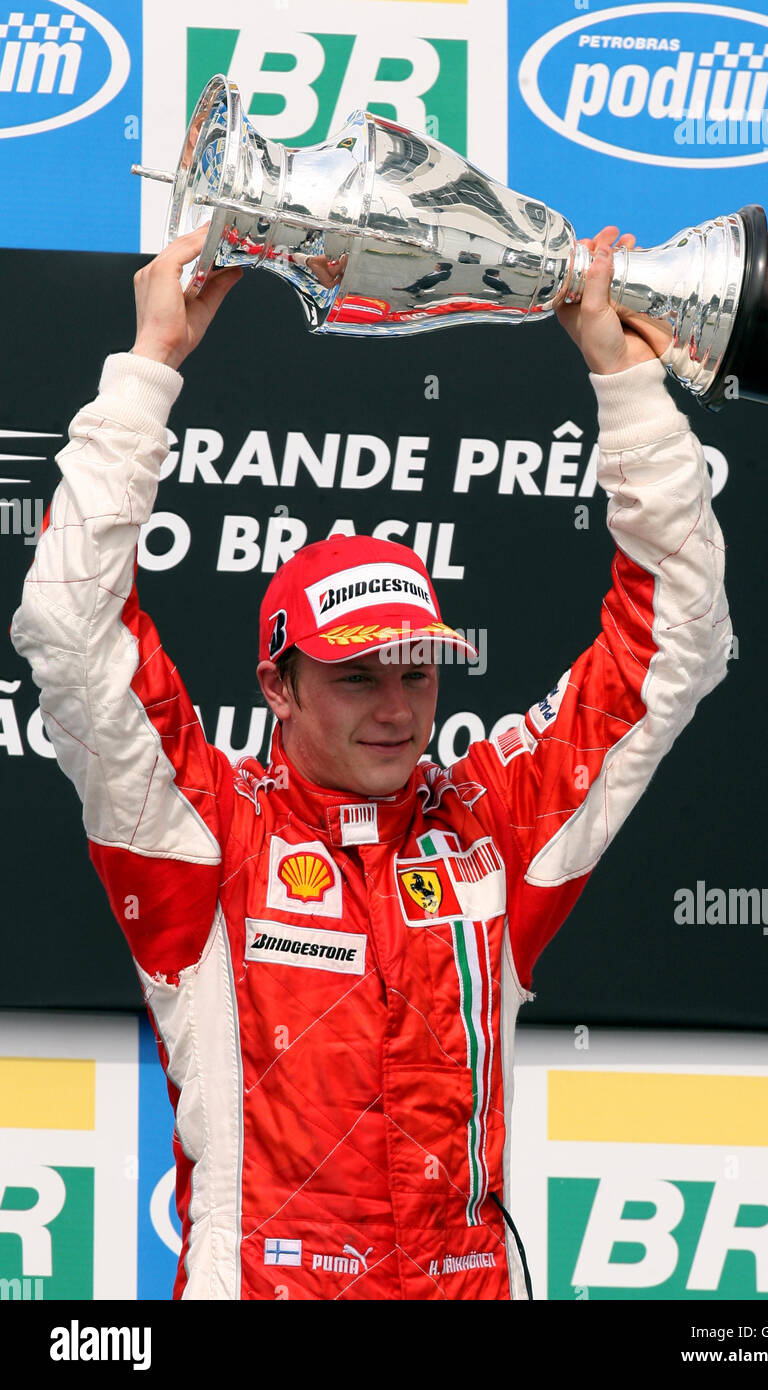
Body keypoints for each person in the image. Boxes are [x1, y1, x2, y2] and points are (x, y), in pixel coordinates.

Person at [10, 220, 731, 1301]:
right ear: (276, 684)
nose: (398, 710)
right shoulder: (202, 831)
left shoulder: (489, 827)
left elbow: (676, 645)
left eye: (418, 673)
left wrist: (623, 376)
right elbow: (69, 634)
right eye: (357, 677)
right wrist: (148, 367)